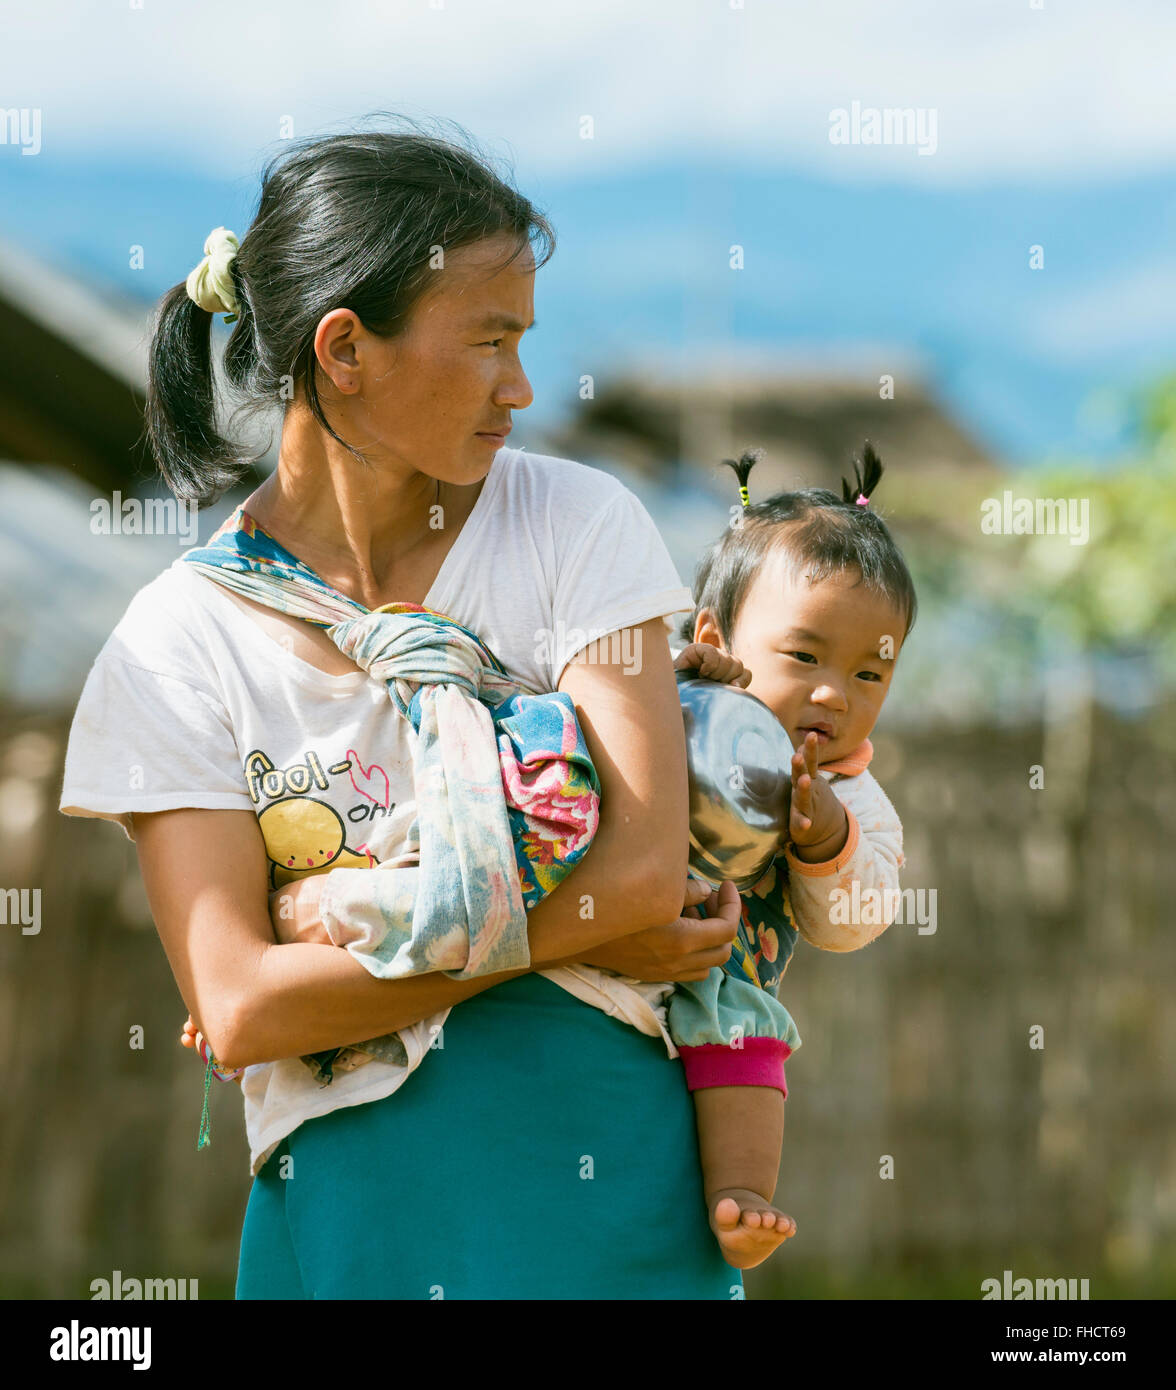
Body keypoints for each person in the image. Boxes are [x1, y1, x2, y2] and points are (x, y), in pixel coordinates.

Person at [58, 120, 745, 1300]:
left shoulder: (575, 529)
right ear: (344, 349)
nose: (522, 388)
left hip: (602, 1204)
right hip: (353, 1232)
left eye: (522, 342)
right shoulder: (176, 650)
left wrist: (345, 929)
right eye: (487, 342)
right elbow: (235, 1004)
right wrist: (561, 930)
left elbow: (644, 880)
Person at [664, 443, 913, 1265]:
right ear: (715, 637)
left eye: (869, 675)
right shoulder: (679, 700)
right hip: (603, 955)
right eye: (804, 656)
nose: (834, 694)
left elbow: (855, 919)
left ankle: (740, 1201)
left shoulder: (854, 795)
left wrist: (824, 834)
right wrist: (674, 684)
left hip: (727, 985)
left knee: (751, 1054)